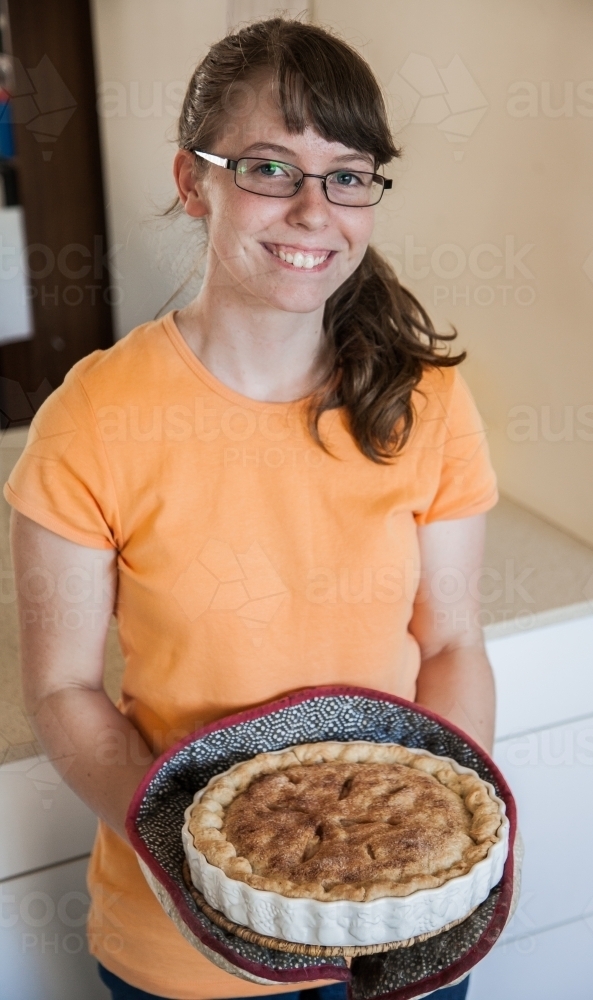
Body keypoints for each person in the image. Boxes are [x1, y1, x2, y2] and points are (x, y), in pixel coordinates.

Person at [5, 17, 498, 1000]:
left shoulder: (425, 401)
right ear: (196, 183)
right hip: (183, 951)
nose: (315, 210)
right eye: (271, 167)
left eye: (347, 174)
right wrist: (180, 854)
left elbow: (449, 642)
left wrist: (442, 848)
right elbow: (63, 688)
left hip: (392, 915)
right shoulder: (94, 419)